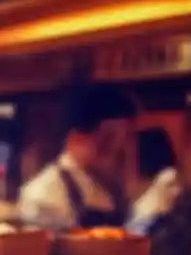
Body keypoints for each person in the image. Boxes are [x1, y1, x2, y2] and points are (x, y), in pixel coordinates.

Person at [18, 85, 137, 231]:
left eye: (123, 136)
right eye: (108, 137)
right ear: (75, 137)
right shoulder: (43, 196)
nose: (115, 147)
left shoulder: (110, 187)